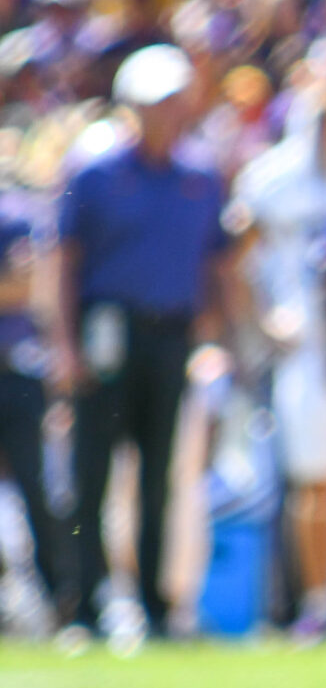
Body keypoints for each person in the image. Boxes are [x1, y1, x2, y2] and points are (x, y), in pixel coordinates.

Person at [54, 44, 235, 639]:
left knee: (160, 475)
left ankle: (158, 605)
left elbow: (215, 264)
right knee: (93, 474)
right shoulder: (94, 170)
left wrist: (220, 336)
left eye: (177, 100)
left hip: (171, 335)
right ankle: (81, 602)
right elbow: (63, 262)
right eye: (158, 102)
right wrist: (64, 344)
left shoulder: (200, 175)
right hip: (107, 331)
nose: (170, 113)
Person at [230, 77, 326, 639]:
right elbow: (237, 257)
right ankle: (322, 603)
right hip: (307, 346)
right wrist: (265, 320)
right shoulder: (275, 180)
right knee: (314, 482)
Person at [0, 175, 68, 625]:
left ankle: (64, 598)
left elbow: (33, 284)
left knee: (36, 485)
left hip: (16, 366)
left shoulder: (21, 212)